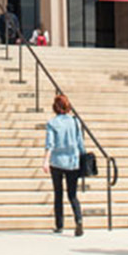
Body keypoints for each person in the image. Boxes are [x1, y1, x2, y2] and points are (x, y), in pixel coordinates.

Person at [43, 93, 84, 236]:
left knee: (58, 193)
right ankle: (78, 219)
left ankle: (59, 224)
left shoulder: (52, 123)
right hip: (73, 161)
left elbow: (50, 144)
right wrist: (82, 157)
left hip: (57, 162)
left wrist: (45, 161)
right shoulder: (75, 122)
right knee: (72, 194)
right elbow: (80, 143)